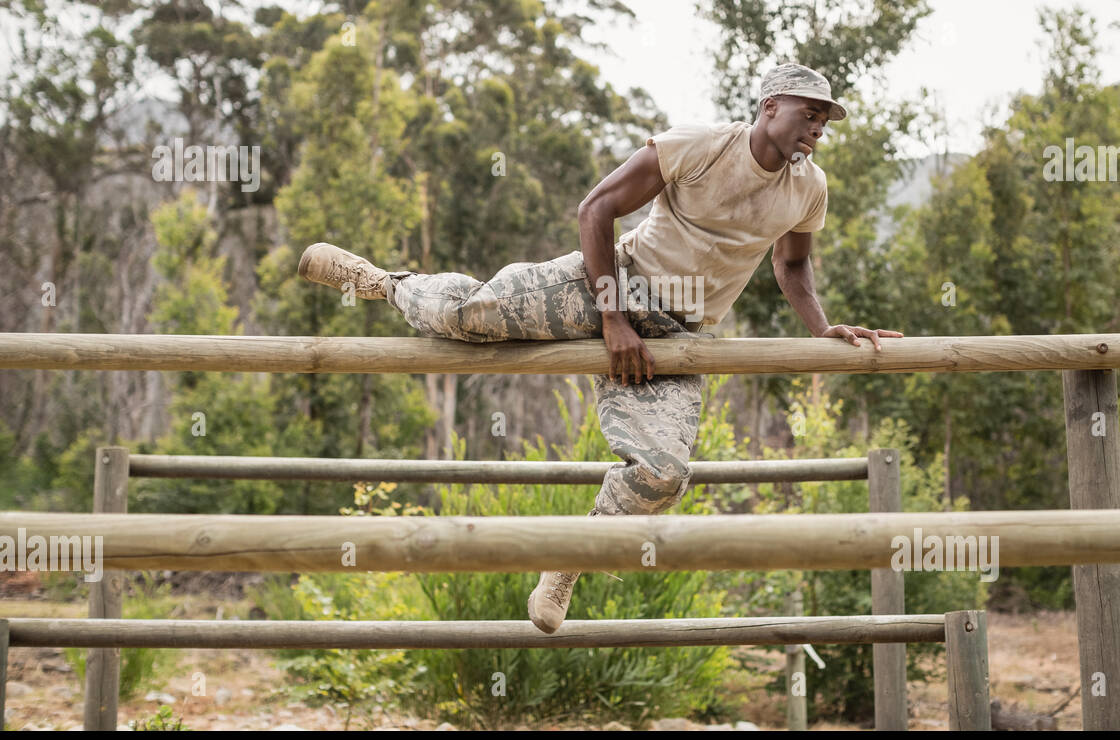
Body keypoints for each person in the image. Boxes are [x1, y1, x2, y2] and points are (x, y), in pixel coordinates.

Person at [297, 61, 904, 633]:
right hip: (610, 283)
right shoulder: (700, 145)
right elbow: (596, 207)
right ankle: (379, 281)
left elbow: (791, 267)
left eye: (827, 117)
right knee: (465, 313)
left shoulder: (809, 188)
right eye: (810, 111)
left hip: (679, 334)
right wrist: (613, 319)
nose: (820, 125)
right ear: (771, 106)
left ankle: (564, 566)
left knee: (664, 474)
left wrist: (823, 328)